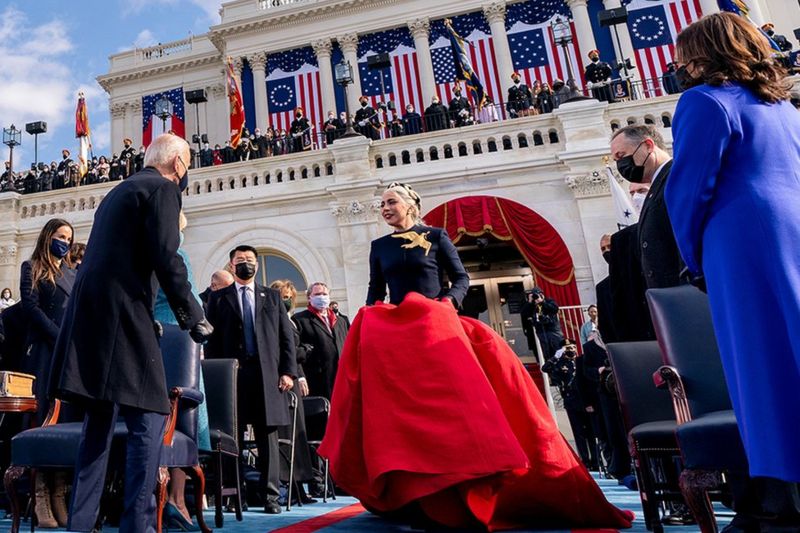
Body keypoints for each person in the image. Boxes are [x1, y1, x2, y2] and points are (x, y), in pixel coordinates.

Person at [318, 182, 633, 531]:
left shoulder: (436, 237)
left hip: (437, 327)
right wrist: (373, 320)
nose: (385, 208)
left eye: (391, 201)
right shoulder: (379, 247)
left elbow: (461, 279)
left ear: (410, 204)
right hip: (400, 340)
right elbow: (376, 291)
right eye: (382, 204)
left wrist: (447, 304)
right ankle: (417, 495)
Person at [50, 133, 212, 533]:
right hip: (125, 313)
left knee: (99, 420)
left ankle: (81, 523)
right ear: (178, 164)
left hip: (92, 317)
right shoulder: (162, 189)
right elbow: (166, 256)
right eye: (187, 165)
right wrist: (194, 317)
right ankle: (137, 525)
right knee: (151, 415)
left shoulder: (117, 191)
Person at [667, 12, 800, 489]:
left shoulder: (704, 101)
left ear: (704, 53)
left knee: (762, 356)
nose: (679, 64)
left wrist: (694, 258)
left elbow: (686, 191)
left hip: (741, 240)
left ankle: (782, 476)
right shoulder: (783, 106)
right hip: (792, 227)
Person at [205, 244, 296, 514]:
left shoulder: (271, 297)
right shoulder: (219, 299)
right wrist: (214, 375)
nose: (246, 263)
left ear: (256, 264)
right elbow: (211, 342)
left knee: (268, 435)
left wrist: (288, 371)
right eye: (240, 260)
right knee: (234, 437)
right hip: (233, 376)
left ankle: (270, 496)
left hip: (267, 375)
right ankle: (237, 495)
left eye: (250, 259)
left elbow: (285, 338)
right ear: (231, 265)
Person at [152, 210, 211, 531]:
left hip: (149, 340)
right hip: (179, 343)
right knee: (182, 417)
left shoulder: (140, 253)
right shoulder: (178, 254)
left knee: (158, 420)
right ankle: (176, 499)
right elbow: (185, 299)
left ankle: (159, 501)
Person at [19, 218, 76, 529]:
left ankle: (59, 494)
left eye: (68, 237)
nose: (64, 241)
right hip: (43, 352)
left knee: (64, 422)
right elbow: (30, 307)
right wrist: (57, 335)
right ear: (48, 236)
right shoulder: (32, 267)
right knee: (43, 420)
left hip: (67, 356)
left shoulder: (72, 272)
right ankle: (40, 495)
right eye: (60, 235)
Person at [610, 125, 681, 289]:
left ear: (648, 145)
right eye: (616, 160)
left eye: (622, 156)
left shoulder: (675, 178)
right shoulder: (656, 187)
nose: (621, 165)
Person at [270, 279, 317, 505]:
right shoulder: (276, 321)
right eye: (282, 296)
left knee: (299, 434)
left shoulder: (290, 321)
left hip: (294, 380)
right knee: (287, 434)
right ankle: (288, 485)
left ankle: (299, 485)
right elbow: (284, 351)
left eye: (289, 296)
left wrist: (301, 374)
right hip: (284, 383)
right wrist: (302, 352)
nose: (287, 300)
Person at [292, 282, 349, 401]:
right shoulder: (300, 320)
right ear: (309, 297)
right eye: (317, 294)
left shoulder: (341, 321)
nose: (322, 297)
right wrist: (300, 377)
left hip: (341, 380)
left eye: (324, 294)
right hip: (316, 382)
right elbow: (294, 351)